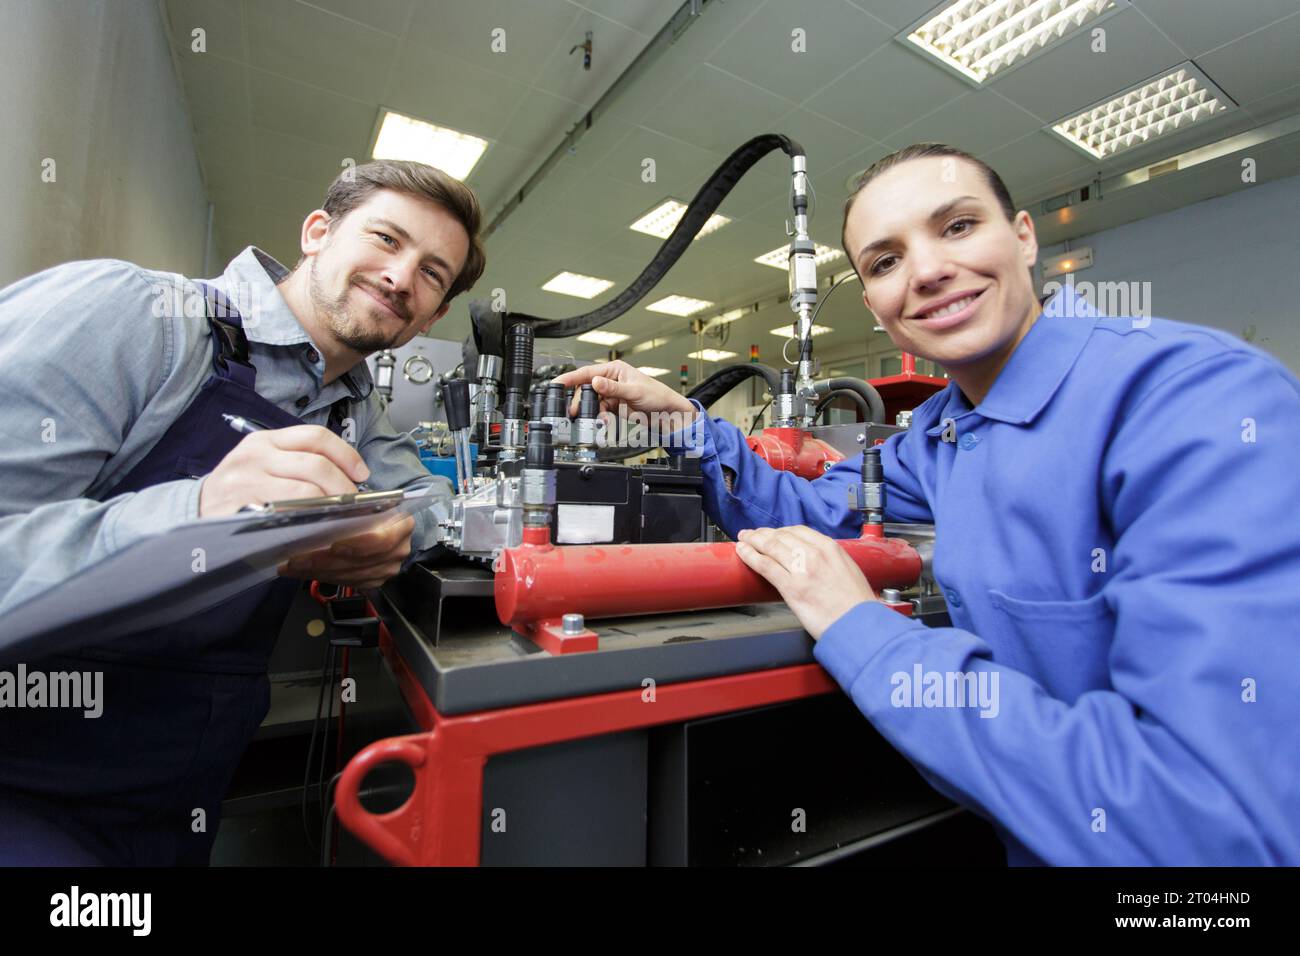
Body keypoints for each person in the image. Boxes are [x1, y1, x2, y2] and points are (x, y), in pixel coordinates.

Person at [554, 143, 1300, 865]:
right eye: (885, 261)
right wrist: (686, 422)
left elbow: (1207, 823)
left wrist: (865, 632)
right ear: (876, 306)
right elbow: (803, 509)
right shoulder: (945, 433)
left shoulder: (1192, 398)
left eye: (958, 226)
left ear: (1025, 237)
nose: (931, 270)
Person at [0, 159, 485, 864]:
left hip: (177, 798)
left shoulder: (356, 411)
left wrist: (395, 532)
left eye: (433, 274)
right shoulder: (136, 318)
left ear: (433, 318)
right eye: (385, 238)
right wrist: (199, 514)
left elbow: (428, 503)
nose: (401, 276)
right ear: (318, 232)